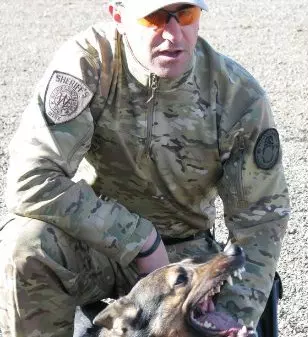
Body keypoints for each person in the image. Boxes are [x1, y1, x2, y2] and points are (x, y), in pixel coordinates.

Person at [0, 0, 290, 336]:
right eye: (154, 18)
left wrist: (231, 318)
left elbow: (262, 219)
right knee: (23, 247)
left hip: (188, 255)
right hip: (100, 245)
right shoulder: (90, 63)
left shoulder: (237, 95)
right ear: (119, 17)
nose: (172, 34)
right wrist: (139, 241)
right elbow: (30, 180)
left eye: (185, 15)